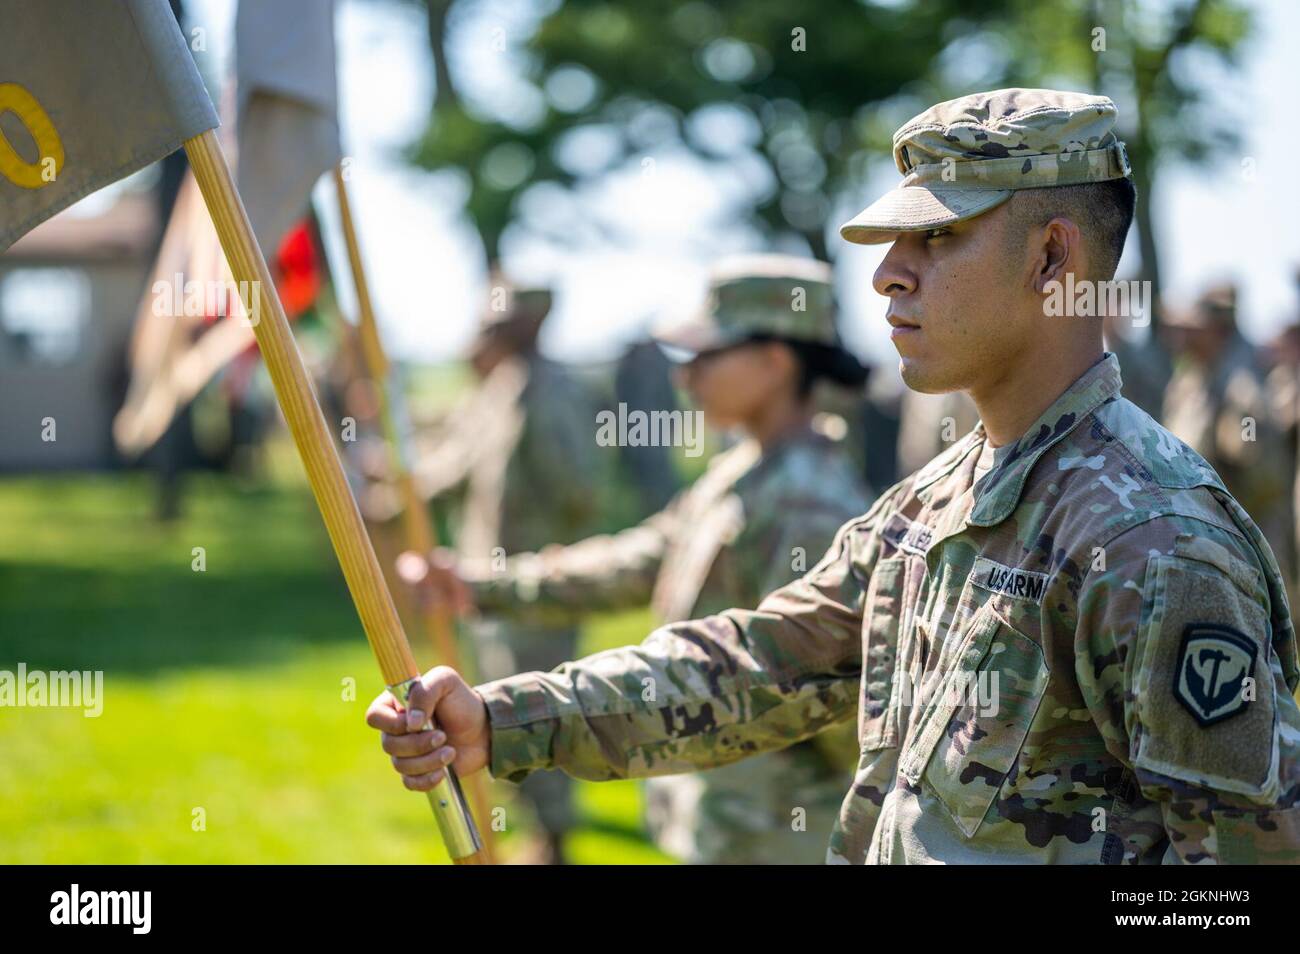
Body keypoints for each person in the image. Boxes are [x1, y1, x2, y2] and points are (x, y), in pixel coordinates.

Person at [368, 89, 1300, 864]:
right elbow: (762, 663)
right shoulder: (932, 502)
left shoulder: (1158, 543)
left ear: (1053, 257)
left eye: (936, 239)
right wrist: (503, 717)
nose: (888, 276)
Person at [404, 254, 873, 863]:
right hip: (729, 815)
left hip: (779, 829)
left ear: (775, 361)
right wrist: (481, 586)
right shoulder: (746, 473)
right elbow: (642, 560)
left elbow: (819, 697)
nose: (686, 378)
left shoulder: (810, 506)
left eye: (705, 356)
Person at [405, 278, 602, 864]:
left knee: (537, 708)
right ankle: (534, 825)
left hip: (536, 582)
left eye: (495, 327)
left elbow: (578, 490)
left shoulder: (554, 392)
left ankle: (554, 838)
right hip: (487, 586)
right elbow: (453, 465)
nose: (481, 339)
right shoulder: (496, 391)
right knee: (493, 705)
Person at [1161, 283, 1294, 596]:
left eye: (1192, 329)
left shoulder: (1241, 392)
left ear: (1216, 331)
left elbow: (1262, 476)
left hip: (1237, 553)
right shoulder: (1190, 381)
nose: (1181, 337)